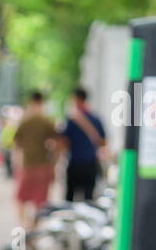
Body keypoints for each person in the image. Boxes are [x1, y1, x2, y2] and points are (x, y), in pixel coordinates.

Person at [11, 92, 56, 229]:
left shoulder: (24, 120)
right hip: (43, 166)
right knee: (40, 202)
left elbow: (16, 144)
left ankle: (24, 226)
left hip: (26, 166)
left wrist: (17, 164)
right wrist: (53, 163)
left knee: (20, 199)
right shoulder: (47, 121)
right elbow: (55, 144)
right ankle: (33, 228)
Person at [58, 87, 106, 203]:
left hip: (75, 163)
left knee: (69, 198)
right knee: (88, 199)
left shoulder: (70, 120)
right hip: (91, 164)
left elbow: (63, 142)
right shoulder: (96, 119)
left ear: (76, 99)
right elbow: (103, 142)